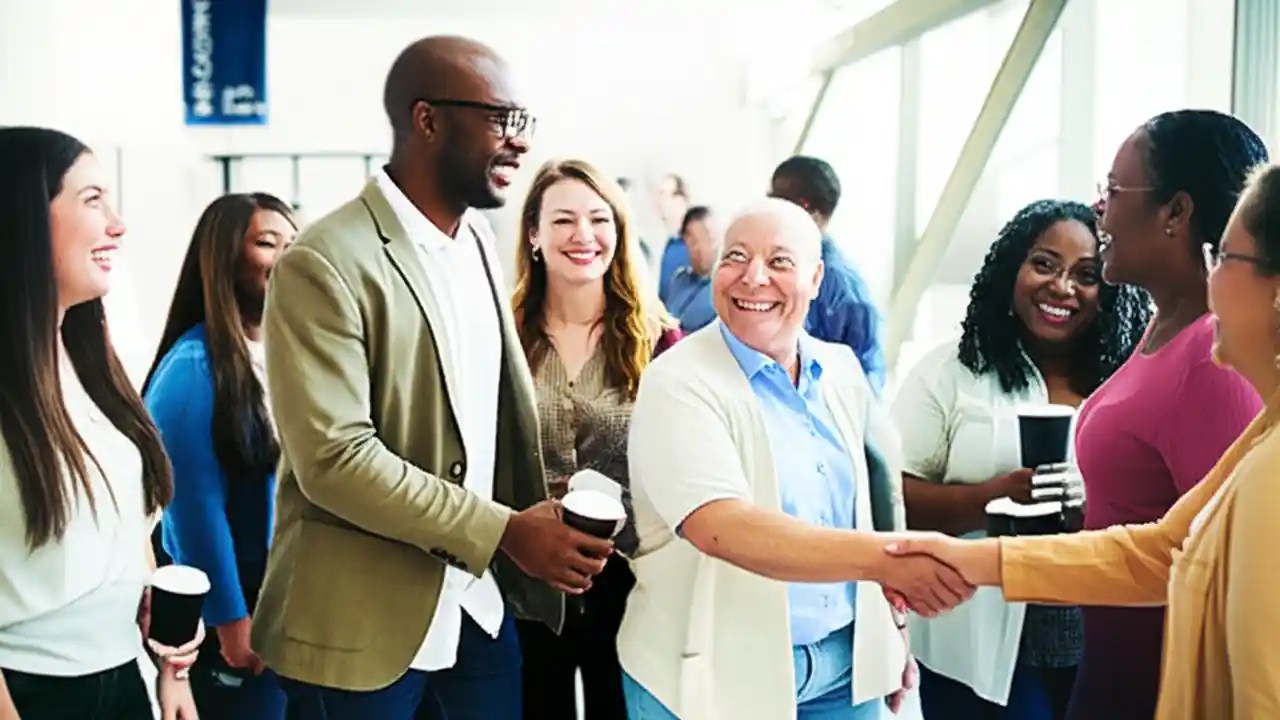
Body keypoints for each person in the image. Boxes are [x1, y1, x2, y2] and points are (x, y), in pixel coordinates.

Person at [250, 36, 613, 720]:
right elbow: (334, 458)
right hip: (363, 628)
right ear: (428, 120)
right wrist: (504, 530)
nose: (519, 143)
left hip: (476, 611)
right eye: (501, 119)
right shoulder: (322, 261)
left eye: (523, 122)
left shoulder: (474, 241)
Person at [885, 161, 1280, 720]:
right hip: (982, 645)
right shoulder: (1264, 436)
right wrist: (969, 548)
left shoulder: (1261, 455)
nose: (1209, 278)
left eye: (1225, 259)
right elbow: (1162, 548)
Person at [619, 198, 974, 720]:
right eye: (735, 257)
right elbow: (722, 527)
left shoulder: (840, 369)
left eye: (779, 261)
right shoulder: (678, 381)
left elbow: (878, 500)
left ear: (816, 277)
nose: (752, 277)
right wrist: (888, 559)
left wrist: (893, 630)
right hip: (714, 677)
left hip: (844, 674)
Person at [891, 200, 1151, 719]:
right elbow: (890, 499)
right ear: (1012, 269)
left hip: (1098, 635)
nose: (1062, 287)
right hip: (971, 642)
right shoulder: (951, 372)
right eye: (1044, 264)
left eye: (1087, 274)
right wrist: (988, 500)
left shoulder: (1131, 378)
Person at [0, 126, 200, 720]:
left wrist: (170, 665)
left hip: (120, 676)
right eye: (92, 200)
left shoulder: (86, 358)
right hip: (30, 688)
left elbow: (129, 525)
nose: (117, 224)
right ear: (23, 218)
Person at [511, 158, 681, 719]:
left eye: (598, 219)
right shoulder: (503, 334)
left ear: (618, 232)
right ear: (534, 234)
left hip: (633, 579)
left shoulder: (659, 340)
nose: (583, 235)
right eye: (562, 220)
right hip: (526, 580)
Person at [144, 193, 298, 719]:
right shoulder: (193, 368)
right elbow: (193, 511)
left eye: (294, 244)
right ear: (225, 258)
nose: (286, 257)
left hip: (288, 603)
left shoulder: (283, 355)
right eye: (267, 243)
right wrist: (230, 622)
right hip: (236, 615)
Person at [768, 156, 886, 392]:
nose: (768, 210)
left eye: (776, 201)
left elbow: (864, 384)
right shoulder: (767, 268)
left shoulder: (844, 293)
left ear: (808, 210)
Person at [664, 205, 719, 331]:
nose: (700, 247)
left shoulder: (724, 287)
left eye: (706, 238)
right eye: (693, 241)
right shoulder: (679, 279)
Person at [655, 173, 691, 302]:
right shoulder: (670, 244)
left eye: (663, 194)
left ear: (680, 200)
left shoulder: (692, 244)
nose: (658, 201)